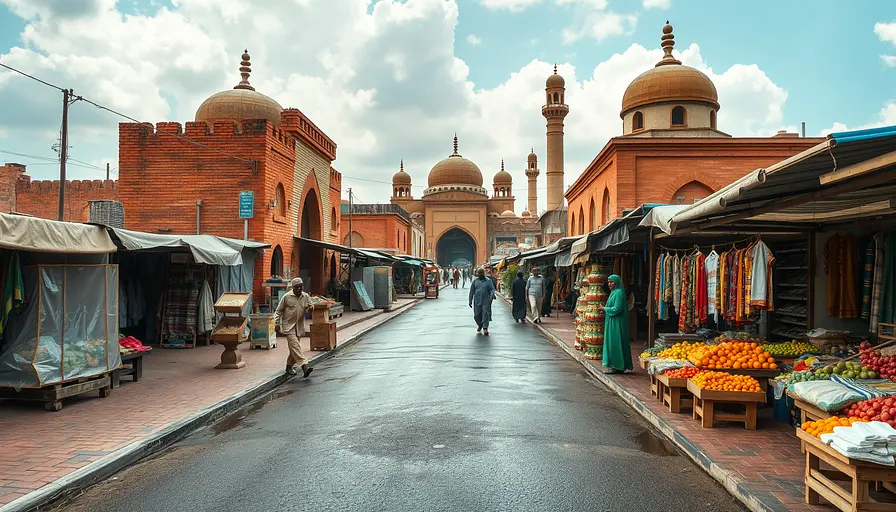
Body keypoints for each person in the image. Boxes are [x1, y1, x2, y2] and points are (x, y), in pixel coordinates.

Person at [274, 278, 314, 377]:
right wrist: (276, 323)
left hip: (299, 326)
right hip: (288, 326)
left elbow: (311, 305)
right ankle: (305, 365)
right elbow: (278, 311)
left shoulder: (306, 296)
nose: (299, 289)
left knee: (294, 349)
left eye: (301, 286)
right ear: (293, 287)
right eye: (297, 287)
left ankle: (289, 366)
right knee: (296, 346)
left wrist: (311, 308)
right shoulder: (287, 297)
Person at [602, 274, 633, 374]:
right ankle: (616, 365)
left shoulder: (619, 293)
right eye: (609, 282)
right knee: (612, 343)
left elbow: (617, 309)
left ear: (617, 282)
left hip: (617, 323)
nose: (610, 284)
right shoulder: (614, 292)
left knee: (616, 342)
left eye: (612, 282)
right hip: (612, 321)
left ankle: (617, 366)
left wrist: (604, 308)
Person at [468, 267, 496, 335]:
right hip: (477, 301)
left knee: (485, 314)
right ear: (477, 274)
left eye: (481, 273)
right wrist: (470, 300)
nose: (480, 274)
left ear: (483, 273)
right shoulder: (475, 281)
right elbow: (471, 291)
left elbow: (492, 289)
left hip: (486, 300)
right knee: (477, 315)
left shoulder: (488, 281)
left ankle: (485, 328)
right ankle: (480, 325)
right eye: (479, 273)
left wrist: (491, 296)